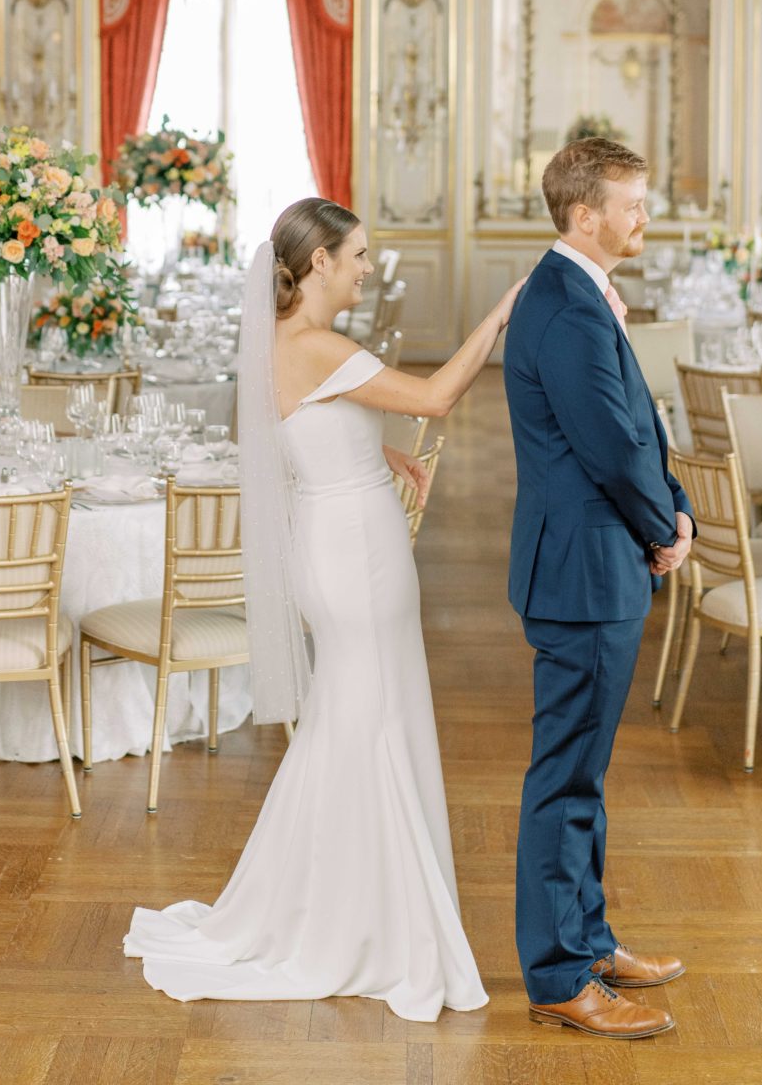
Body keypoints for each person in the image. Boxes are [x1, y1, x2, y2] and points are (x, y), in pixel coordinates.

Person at [124, 196, 522, 1021]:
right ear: (319, 265)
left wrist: (366, 447)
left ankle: (342, 903)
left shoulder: (284, 345)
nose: (367, 267)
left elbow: (294, 427)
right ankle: (368, 923)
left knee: (355, 720)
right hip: (356, 555)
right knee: (367, 722)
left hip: (334, 541)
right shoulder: (318, 342)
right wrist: (502, 311)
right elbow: (439, 395)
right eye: (359, 255)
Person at [503, 137, 693, 1040]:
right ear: (586, 215)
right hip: (583, 574)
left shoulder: (579, 293)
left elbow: (636, 425)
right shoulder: (566, 305)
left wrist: (677, 509)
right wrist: (664, 528)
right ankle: (556, 978)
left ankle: (588, 939)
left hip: (594, 563)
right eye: (631, 204)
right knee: (564, 778)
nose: (642, 218)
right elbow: (609, 447)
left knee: (584, 775)